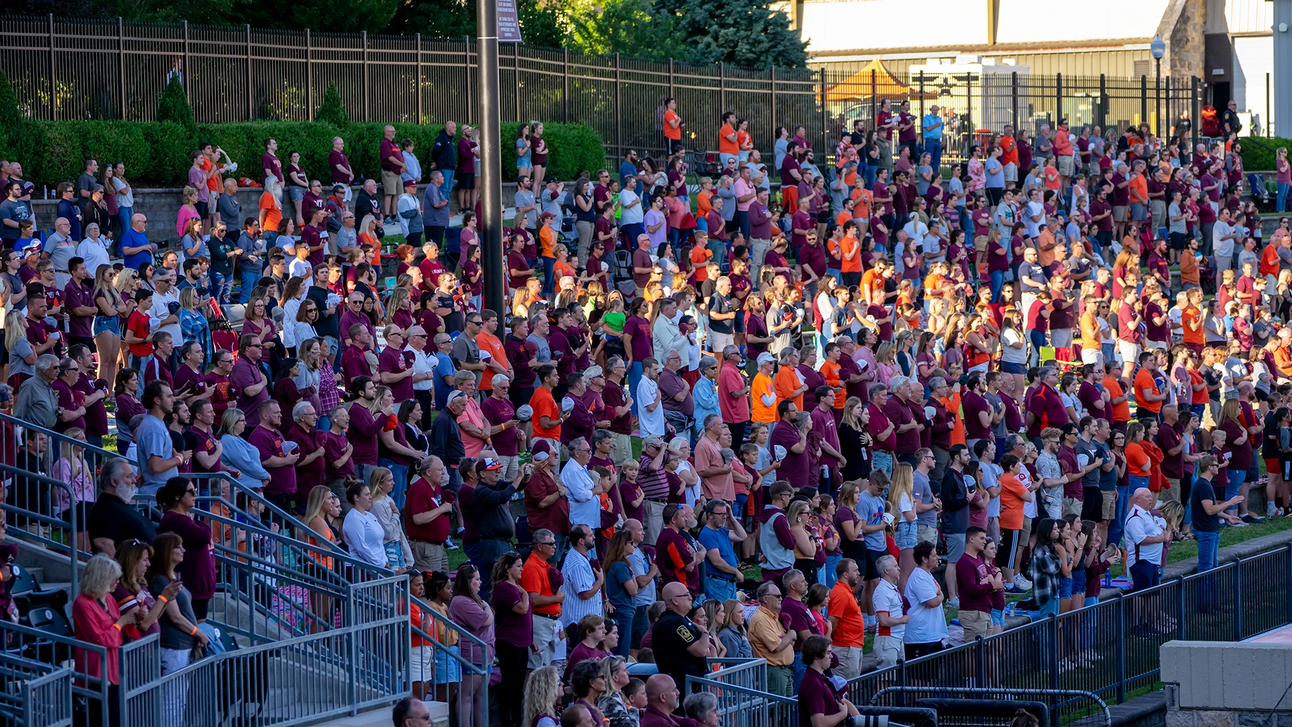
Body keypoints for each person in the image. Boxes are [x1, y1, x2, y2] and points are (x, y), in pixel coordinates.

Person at [651, 581, 707, 694]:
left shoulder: (681, 620)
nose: (691, 598)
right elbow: (700, 650)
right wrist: (705, 632)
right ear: (675, 600)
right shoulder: (673, 624)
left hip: (690, 685)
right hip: (681, 688)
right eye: (686, 595)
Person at [798, 635, 862, 727]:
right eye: (828, 653)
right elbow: (819, 723)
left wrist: (860, 719)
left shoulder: (821, 678)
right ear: (816, 656)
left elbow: (842, 701)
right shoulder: (813, 684)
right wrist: (842, 715)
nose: (832, 656)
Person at [903, 541, 948, 659]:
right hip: (921, 638)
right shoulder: (919, 577)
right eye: (934, 555)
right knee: (919, 676)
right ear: (924, 559)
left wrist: (939, 597)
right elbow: (932, 602)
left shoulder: (927, 574)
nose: (938, 557)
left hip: (930, 635)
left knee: (929, 677)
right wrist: (941, 596)